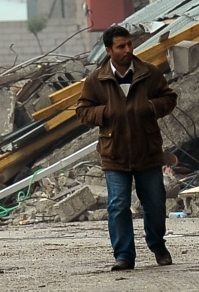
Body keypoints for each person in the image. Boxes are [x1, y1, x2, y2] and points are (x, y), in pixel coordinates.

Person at [76, 25, 178, 271]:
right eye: (121, 47)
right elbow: (82, 111)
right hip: (115, 154)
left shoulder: (149, 73)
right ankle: (124, 255)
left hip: (147, 151)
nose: (128, 50)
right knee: (118, 205)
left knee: (155, 203)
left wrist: (150, 107)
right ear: (109, 50)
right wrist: (106, 112)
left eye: (129, 44)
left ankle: (157, 244)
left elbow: (169, 98)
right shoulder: (96, 80)